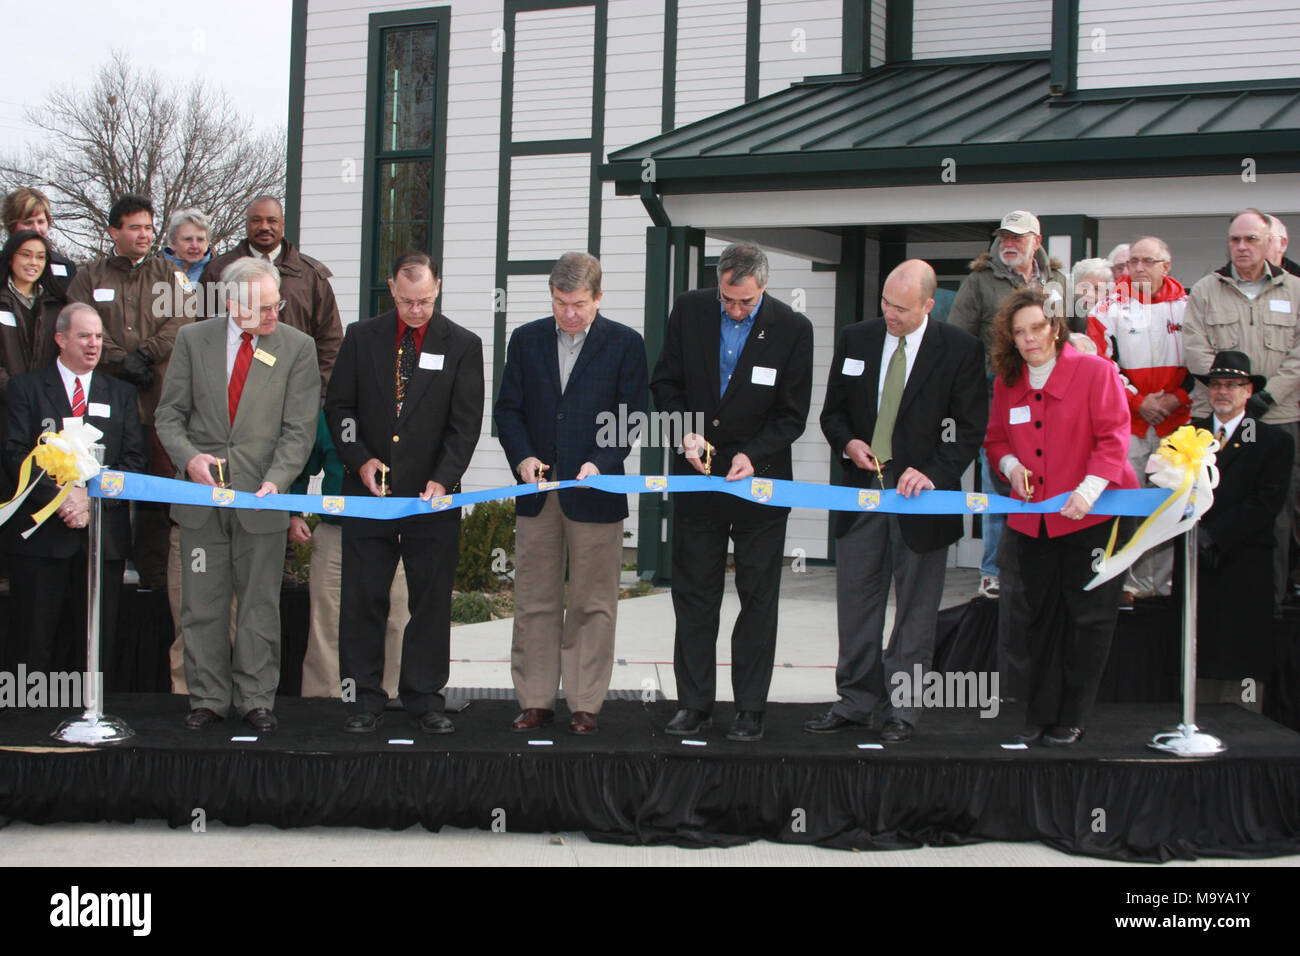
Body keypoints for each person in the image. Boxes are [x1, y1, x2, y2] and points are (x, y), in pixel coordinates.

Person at [806, 260, 986, 741]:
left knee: (916, 612)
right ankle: (855, 701)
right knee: (856, 604)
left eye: (901, 308)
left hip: (922, 505)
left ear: (929, 305)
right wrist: (849, 444)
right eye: (885, 302)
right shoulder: (856, 338)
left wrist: (931, 472)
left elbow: (968, 431)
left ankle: (902, 710)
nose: (890, 313)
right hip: (862, 495)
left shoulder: (960, 350)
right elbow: (833, 414)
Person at [650, 241, 813, 742]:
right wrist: (686, 432)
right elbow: (665, 385)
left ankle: (750, 709)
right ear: (718, 283)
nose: (735, 309)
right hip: (698, 479)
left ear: (764, 285)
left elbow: (792, 413)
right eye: (728, 299)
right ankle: (694, 704)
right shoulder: (690, 310)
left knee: (757, 598)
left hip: (759, 484)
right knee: (694, 597)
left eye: (746, 301)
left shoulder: (793, 328)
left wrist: (754, 455)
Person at [155, 257, 319, 732]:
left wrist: (279, 480)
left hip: (262, 501)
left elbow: (300, 428)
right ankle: (206, 698)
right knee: (201, 605)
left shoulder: (297, 348)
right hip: (201, 503)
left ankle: (256, 699)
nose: (274, 316)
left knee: (259, 605)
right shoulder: (192, 340)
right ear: (231, 304)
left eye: (277, 305)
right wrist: (189, 458)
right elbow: (169, 416)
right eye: (264, 309)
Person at [324, 253, 483, 734]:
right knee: (363, 599)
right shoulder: (361, 337)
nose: (417, 310)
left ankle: (425, 697)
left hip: (432, 499)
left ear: (439, 289)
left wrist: (444, 477)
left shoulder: (463, 345)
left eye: (427, 301)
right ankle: (364, 699)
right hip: (369, 495)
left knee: (430, 602)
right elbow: (340, 409)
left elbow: (465, 425)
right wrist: (361, 459)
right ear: (391, 289)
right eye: (408, 301)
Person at [493, 252, 648, 735]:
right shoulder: (525, 340)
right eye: (560, 303)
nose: (569, 313)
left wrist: (599, 465)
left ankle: (585, 702)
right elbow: (508, 411)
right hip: (537, 491)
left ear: (598, 297)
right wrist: (521, 459)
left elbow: (633, 417)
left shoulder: (626, 344)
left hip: (596, 491)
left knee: (592, 601)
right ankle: (536, 699)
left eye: (579, 303)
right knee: (534, 598)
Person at [984, 288, 1137, 746]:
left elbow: (1114, 438)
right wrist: (1011, 469)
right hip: (1035, 521)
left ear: (1055, 327)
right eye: (1018, 332)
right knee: (1035, 618)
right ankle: (1039, 711)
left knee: (1087, 619)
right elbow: (996, 441)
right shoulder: (1006, 381)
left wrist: (1089, 491)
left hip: (1094, 518)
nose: (1028, 339)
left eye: (1036, 328)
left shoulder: (1095, 371)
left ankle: (1073, 715)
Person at [3, 304, 146, 688]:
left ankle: (90, 719)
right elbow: (14, 455)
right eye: (84, 336)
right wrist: (63, 498)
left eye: (98, 336)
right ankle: (28, 726)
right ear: (60, 339)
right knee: (34, 638)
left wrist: (90, 500)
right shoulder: (25, 389)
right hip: (41, 540)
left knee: (95, 643)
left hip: (102, 540)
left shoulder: (121, 394)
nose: (93, 344)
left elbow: (133, 461)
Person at [66, 194, 194, 589]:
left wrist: (147, 353)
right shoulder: (91, 275)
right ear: (114, 231)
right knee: (103, 478)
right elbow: (77, 320)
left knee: (157, 485)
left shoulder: (169, 273)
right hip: (106, 398)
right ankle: (101, 560)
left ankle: (152, 572)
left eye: (149, 227)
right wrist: (122, 361)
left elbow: (182, 319)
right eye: (135, 227)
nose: (144, 234)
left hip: (158, 399)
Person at [1183, 209, 1300, 610]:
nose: (1242, 246)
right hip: (1216, 420)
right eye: (1235, 239)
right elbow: (1195, 349)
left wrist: (1265, 397)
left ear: (1270, 242)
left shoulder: (1295, 291)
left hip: (1279, 417)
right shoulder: (1204, 290)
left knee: (1277, 512)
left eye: (1251, 239)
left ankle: (1270, 601)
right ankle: (1208, 600)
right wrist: (1233, 393)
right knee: (1212, 503)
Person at [950, 210, 1069, 600]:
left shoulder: (1058, 282)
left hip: (1052, 404)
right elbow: (957, 342)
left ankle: (1039, 564)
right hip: (997, 399)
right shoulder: (979, 282)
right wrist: (988, 376)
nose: (1009, 243)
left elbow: (1071, 336)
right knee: (1001, 485)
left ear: (1037, 240)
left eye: (1018, 237)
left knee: (1046, 481)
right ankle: (994, 571)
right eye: (1004, 236)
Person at [1086, 236, 1189, 603]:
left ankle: (1160, 588)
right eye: (1134, 262)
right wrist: (1140, 402)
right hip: (1129, 422)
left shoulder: (1188, 305)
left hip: (1177, 423)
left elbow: (1199, 361)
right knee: (1126, 507)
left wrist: (1175, 398)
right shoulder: (1106, 307)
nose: (1139, 268)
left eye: (1149, 261)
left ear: (1167, 265)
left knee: (1167, 507)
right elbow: (1103, 366)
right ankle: (1123, 584)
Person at [1191, 351, 1292, 712]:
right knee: (1197, 655)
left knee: (1242, 659)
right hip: (1197, 565)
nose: (1223, 392)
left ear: (1248, 391)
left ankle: (1245, 727)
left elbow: (1266, 504)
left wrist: (1215, 535)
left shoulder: (1274, 442)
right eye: (1216, 384)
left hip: (1244, 563)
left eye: (1233, 385)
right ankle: (1193, 720)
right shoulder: (1187, 436)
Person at [288, 412, 412, 699]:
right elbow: (301, 467)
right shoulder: (327, 418)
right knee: (327, 622)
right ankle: (325, 699)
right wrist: (293, 514)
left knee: (396, 618)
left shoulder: (403, 413)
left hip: (392, 533)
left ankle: (391, 697)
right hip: (336, 532)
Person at [202, 196, 342, 391]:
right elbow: (204, 331)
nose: (264, 226)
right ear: (246, 224)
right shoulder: (218, 271)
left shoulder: (310, 275)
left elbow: (330, 339)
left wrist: (318, 389)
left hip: (293, 385)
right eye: (256, 220)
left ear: (283, 224)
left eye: (272, 220)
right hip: (234, 386)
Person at [0, 230, 65, 417]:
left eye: (40, 257)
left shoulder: (58, 305)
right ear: (10, 258)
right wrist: (17, 392)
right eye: (26, 255)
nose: (33, 263)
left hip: (46, 407)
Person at [2, 187, 76, 294]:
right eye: (28, 223)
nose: (36, 229)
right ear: (11, 225)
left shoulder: (65, 266)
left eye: (41, 222)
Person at [161, 208, 213, 284]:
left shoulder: (219, 274)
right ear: (172, 243)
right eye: (188, 239)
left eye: (200, 240)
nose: (195, 246)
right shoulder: (152, 272)